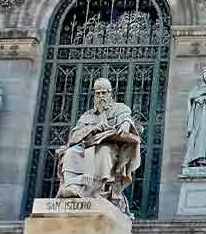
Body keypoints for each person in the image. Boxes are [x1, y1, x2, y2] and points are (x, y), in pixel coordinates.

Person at [56, 78, 142, 211]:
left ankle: (95, 191)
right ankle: (72, 187)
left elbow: (126, 118)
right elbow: (74, 137)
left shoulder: (120, 108)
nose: (101, 96)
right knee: (70, 153)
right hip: (87, 147)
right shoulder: (87, 115)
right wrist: (93, 128)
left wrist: (125, 124)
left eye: (104, 93)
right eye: (98, 93)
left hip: (111, 147)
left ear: (110, 93)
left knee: (103, 152)